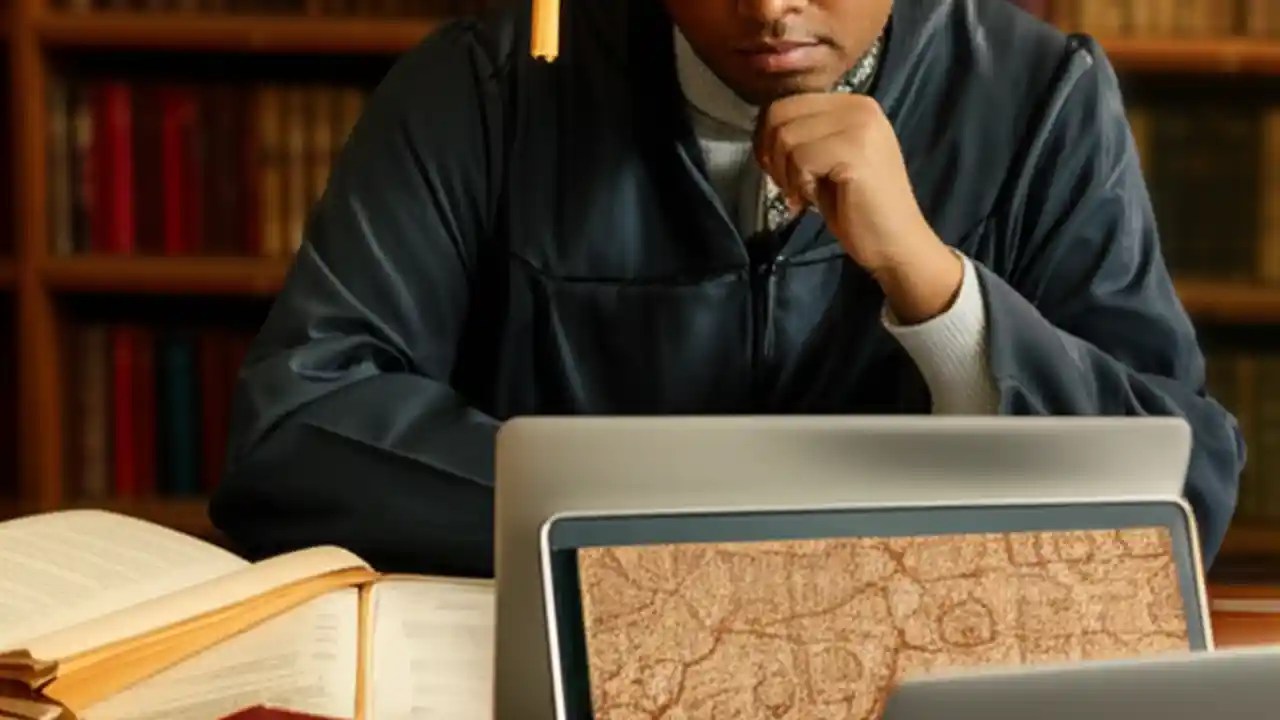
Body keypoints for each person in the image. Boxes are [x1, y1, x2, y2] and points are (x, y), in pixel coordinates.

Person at [210, 0, 1245, 577]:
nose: (768, 4)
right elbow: (295, 435)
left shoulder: (1037, 100)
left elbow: (1182, 489)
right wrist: (702, 519)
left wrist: (933, 289)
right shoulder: (487, 89)